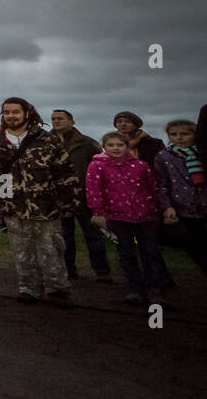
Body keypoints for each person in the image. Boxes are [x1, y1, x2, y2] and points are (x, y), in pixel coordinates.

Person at [0, 98, 81, 304]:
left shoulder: (46, 139)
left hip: (46, 205)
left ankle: (58, 288)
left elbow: (65, 172)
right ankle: (29, 288)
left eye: (15, 112)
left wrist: (68, 202)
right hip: (13, 206)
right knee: (22, 250)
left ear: (27, 113)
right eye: (7, 112)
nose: (11, 116)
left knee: (51, 248)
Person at [87, 132, 168, 306]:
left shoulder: (140, 165)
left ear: (127, 146)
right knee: (127, 253)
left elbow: (152, 187)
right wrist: (98, 212)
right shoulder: (97, 166)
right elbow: (93, 190)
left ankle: (155, 288)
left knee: (150, 252)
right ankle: (134, 289)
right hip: (118, 216)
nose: (115, 148)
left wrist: (159, 209)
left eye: (120, 145)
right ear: (104, 147)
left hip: (146, 215)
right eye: (111, 145)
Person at [51, 109, 111, 281]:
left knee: (94, 235)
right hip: (59, 198)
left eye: (60, 118)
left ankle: (102, 271)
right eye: (53, 119)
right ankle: (68, 270)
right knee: (63, 237)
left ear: (72, 121)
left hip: (85, 197)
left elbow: (101, 169)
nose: (56, 122)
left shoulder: (86, 143)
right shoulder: (46, 142)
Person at [154, 119, 205, 273]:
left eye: (184, 134)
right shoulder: (164, 156)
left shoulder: (202, 154)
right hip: (182, 207)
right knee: (193, 247)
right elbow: (161, 184)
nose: (179, 138)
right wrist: (167, 206)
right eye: (174, 134)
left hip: (203, 204)